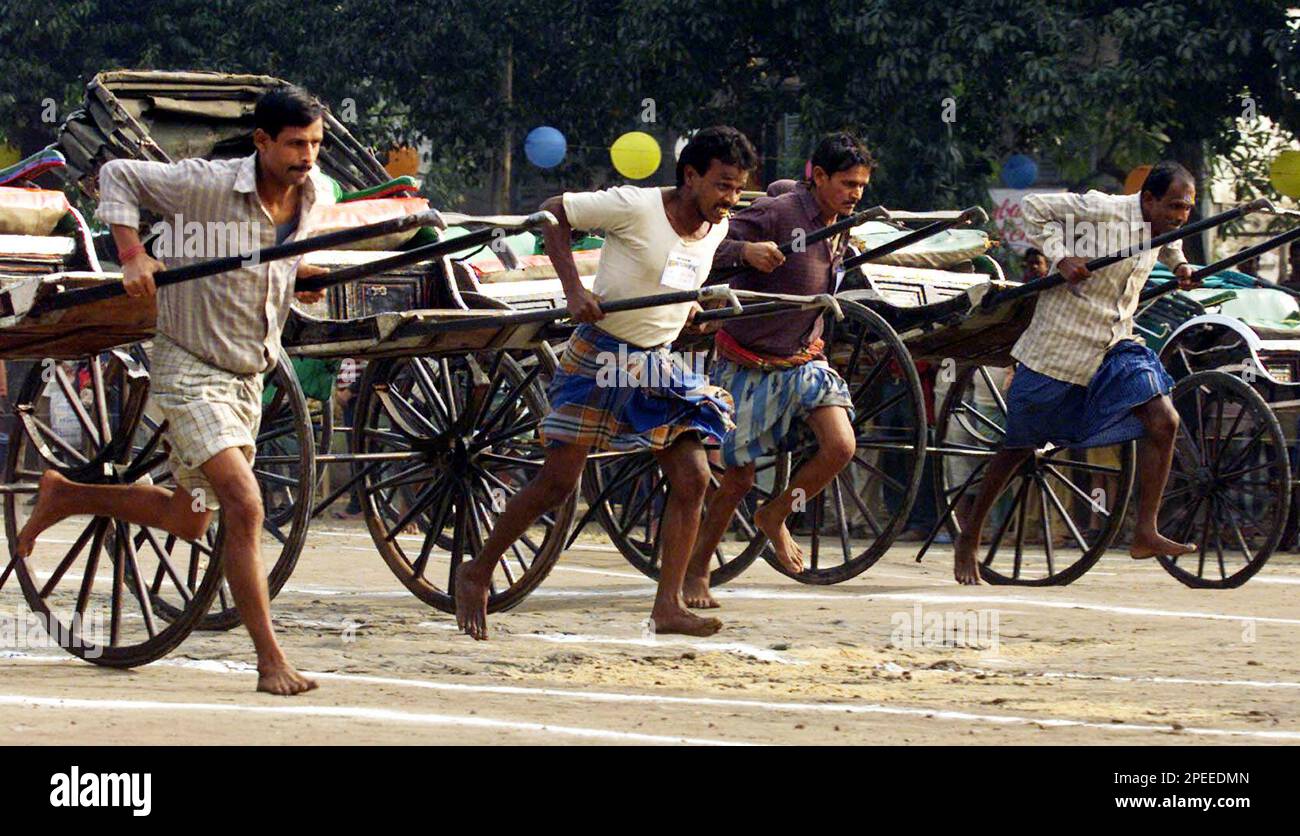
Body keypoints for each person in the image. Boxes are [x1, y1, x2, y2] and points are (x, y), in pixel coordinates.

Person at [17, 86, 333, 694]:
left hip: (248, 377)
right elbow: (119, 175)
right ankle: (269, 660)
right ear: (262, 142)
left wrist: (299, 276)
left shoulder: (312, 195)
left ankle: (66, 496)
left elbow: (275, 263)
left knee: (188, 519)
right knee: (245, 505)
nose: (307, 156)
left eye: (315, 143)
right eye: (295, 144)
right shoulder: (207, 185)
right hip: (190, 368)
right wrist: (133, 254)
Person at [455, 126, 758, 639]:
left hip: (654, 362)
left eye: (738, 189)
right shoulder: (636, 206)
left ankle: (667, 606)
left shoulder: (718, 229)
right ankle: (478, 569)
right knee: (557, 484)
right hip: (600, 354)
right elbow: (554, 211)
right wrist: (574, 288)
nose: (730, 200)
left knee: (692, 477)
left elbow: (680, 277)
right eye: (722, 186)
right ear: (690, 176)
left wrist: (689, 312)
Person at [952, 161, 1199, 584]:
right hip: (1060, 346)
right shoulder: (1101, 210)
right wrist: (1061, 257)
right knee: (1019, 447)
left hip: (1116, 343)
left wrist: (1180, 266)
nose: (1180, 217)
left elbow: (1170, 242)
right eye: (1174, 206)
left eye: (1187, 210)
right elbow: (1032, 208)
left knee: (1164, 420)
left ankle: (1145, 530)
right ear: (1148, 200)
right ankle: (970, 535)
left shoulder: (1162, 227)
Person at [678, 133, 872, 606]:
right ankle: (697, 570)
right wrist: (746, 253)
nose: (855, 194)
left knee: (841, 444)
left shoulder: (840, 223)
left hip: (805, 358)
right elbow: (706, 243)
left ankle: (776, 513)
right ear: (819, 177)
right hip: (748, 362)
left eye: (862, 186)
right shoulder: (779, 213)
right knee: (738, 479)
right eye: (847, 184)